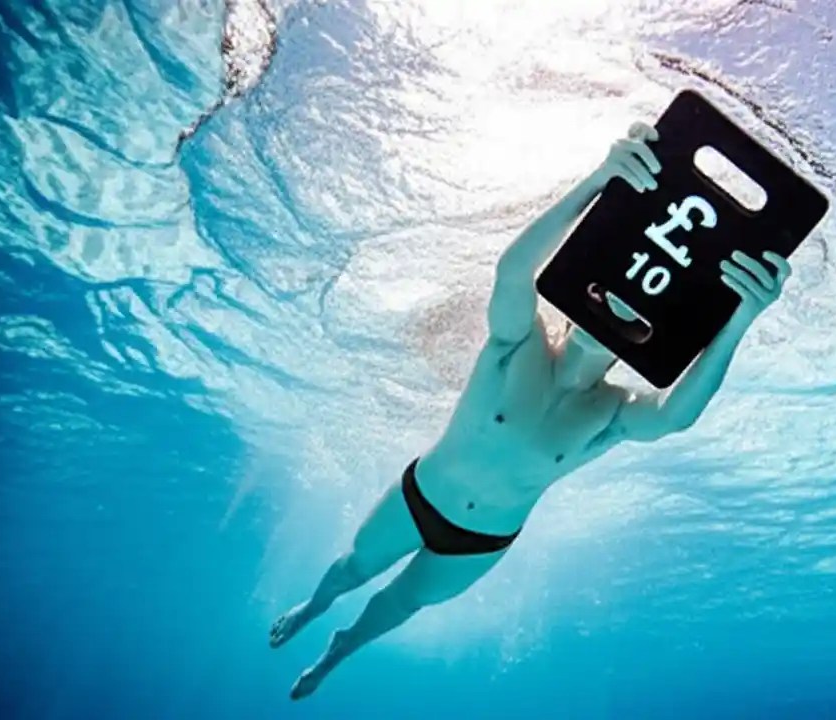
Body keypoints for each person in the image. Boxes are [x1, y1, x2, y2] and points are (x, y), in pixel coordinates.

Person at [270, 121, 793, 700]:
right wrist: (600, 179)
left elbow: (676, 416)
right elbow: (513, 271)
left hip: (481, 542)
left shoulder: (612, 412)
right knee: (349, 571)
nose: (619, 307)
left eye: (632, 311)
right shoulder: (517, 343)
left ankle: (337, 652)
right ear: (577, 302)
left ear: (645, 334)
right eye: (608, 295)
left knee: (401, 602)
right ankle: (312, 607)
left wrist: (742, 317)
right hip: (422, 497)